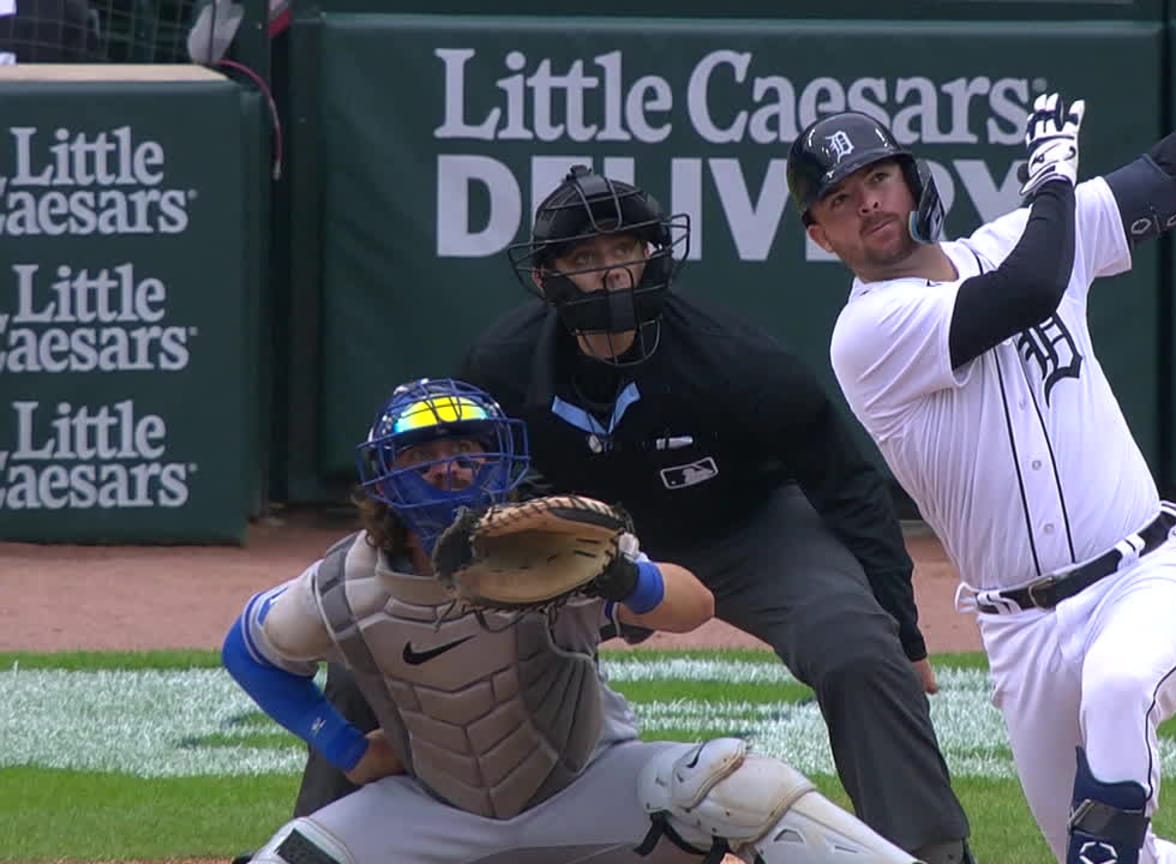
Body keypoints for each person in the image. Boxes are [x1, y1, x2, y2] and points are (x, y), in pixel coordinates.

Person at [268, 169, 977, 864]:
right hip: (572, 548)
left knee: (856, 645)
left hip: (743, 528)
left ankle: (927, 853)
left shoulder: (736, 358)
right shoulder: (504, 363)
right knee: (375, 635)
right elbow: (474, 484)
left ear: (652, 257)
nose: (609, 272)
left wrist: (902, 630)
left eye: (625, 250)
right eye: (584, 258)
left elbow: (846, 483)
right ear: (547, 278)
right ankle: (320, 839)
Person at [786, 40, 1176, 864]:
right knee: (1097, 854)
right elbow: (1027, 288)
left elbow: (1172, 177)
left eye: (878, 179)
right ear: (819, 233)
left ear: (912, 180)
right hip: (1019, 634)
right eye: (840, 200)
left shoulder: (1027, 235)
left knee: (1115, 695)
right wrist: (1054, 184)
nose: (867, 204)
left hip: (1144, 576)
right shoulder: (866, 335)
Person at [223, 376, 920, 864]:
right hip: (433, 813)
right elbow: (250, 651)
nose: (448, 468)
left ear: (499, 460)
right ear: (386, 475)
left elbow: (693, 604)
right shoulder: (346, 584)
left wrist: (621, 576)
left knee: (741, 783)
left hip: (590, 788)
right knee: (295, 854)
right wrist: (344, 748)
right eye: (423, 456)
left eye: (466, 449)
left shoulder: (555, 545)